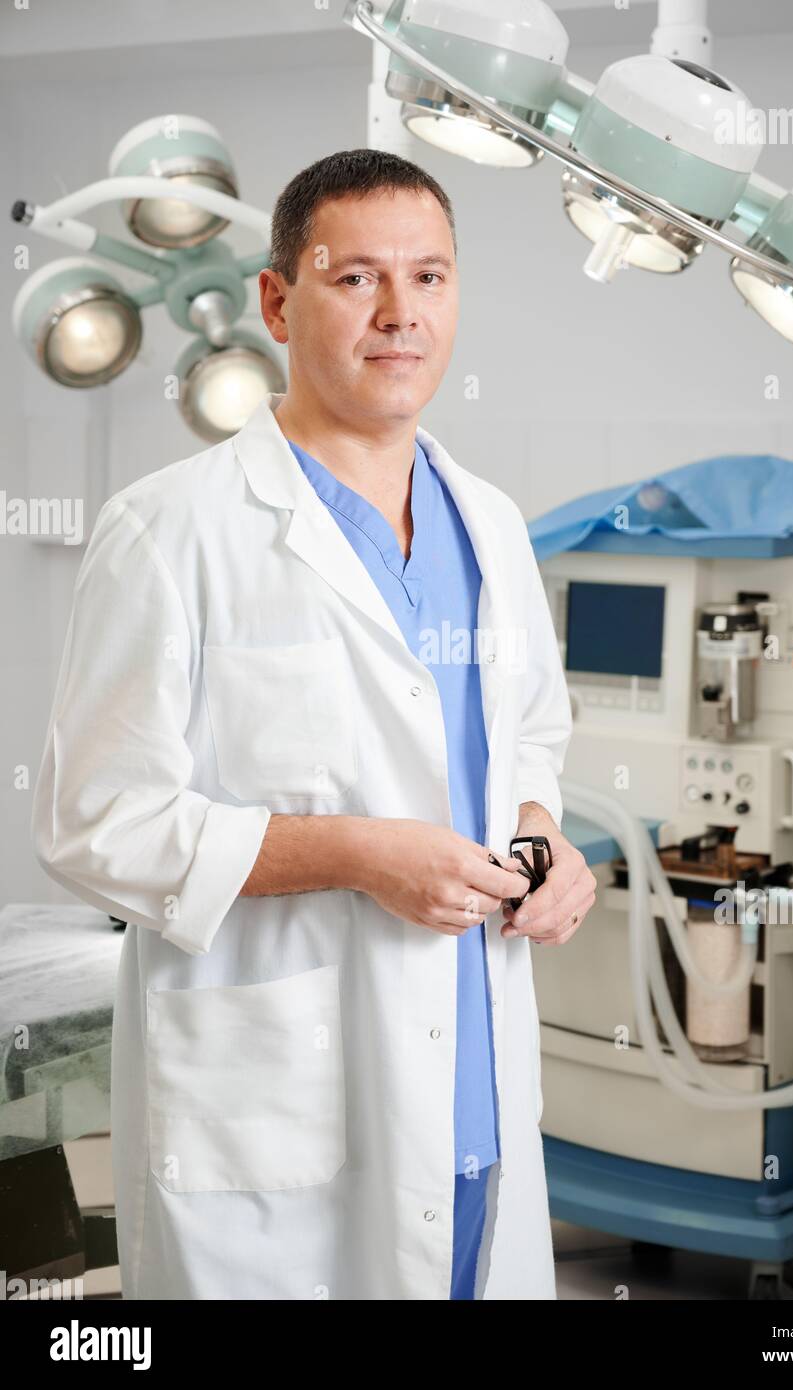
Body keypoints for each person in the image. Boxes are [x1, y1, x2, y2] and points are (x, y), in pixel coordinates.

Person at [31, 148, 595, 1300]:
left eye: (430, 278)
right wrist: (353, 854)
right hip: (279, 1123)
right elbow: (95, 822)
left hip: (475, 1096)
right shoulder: (171, 532)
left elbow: (528, 736)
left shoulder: (488, 525)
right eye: (357, 280)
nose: (401, 314)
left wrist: (545, 842)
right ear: (278, 301)